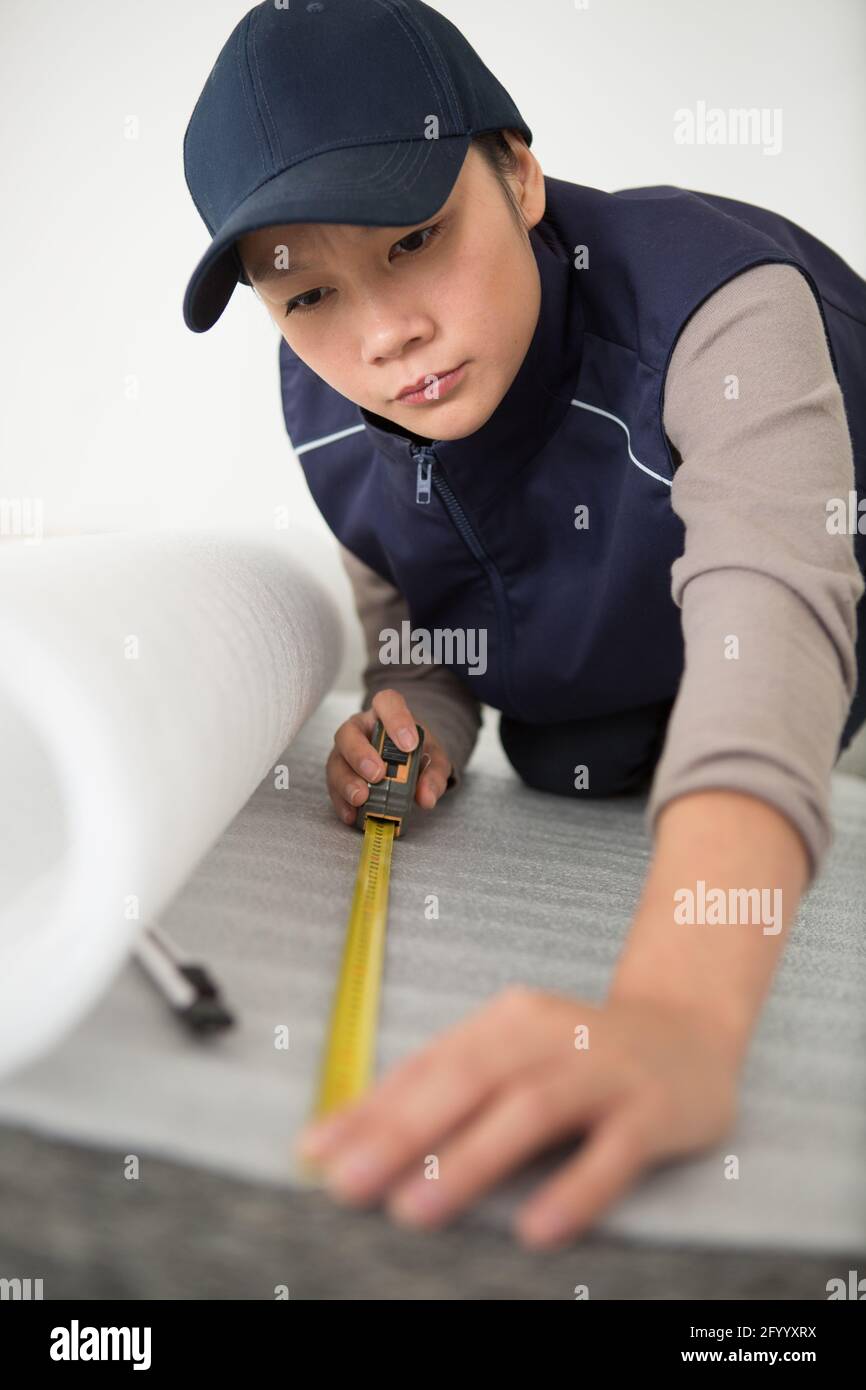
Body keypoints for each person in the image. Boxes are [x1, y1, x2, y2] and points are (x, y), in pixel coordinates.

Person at [182, 0, 866, 1248]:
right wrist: (417, 719)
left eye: (416, 239)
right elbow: (414, 629)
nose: (383, 333)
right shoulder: (321, 400)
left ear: (519, 172)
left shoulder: (719, 310)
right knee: (563, 769)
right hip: (599, 701)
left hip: (822, 649)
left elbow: (764, 622)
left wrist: (679, 1016)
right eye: (307, 295)